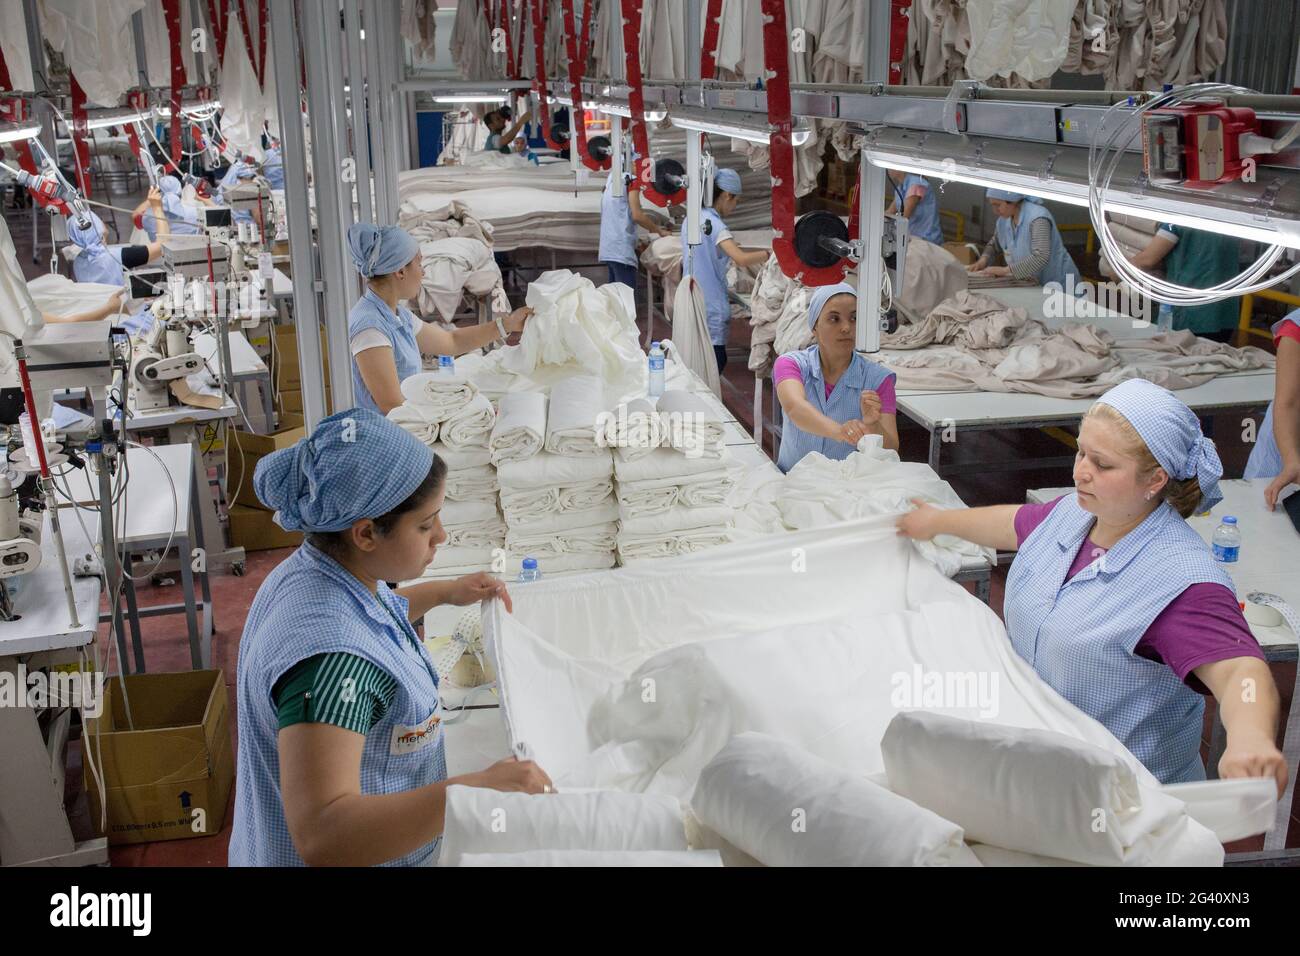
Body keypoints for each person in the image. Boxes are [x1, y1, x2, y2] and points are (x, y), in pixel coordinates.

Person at [898, 379, 1287, 789]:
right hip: (1042, 769)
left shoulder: (1180, 582)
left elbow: (1241, 672)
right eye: (1081, 451)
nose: (1081, 471)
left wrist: (1250, 738)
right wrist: (937, 522)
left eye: (1102, 465)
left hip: (1125, 799)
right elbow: (1015, 525)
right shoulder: (1077, 513)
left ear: (1154, 480)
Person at [229, 409, 552, 866]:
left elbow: (373, 616)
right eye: (425, 526)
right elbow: (326, 834)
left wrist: (445, 593)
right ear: (365, 533)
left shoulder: (315, 573)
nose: (441, 535)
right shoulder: (332, 664)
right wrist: (477, 788)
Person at [347, 223, 533, 415]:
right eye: (419, 264)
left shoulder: (396, 314)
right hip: (389, 432)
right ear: (400, 272)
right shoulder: (370, 327)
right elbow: (393, 406)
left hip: (408, 423)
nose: (424, 272)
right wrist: (461, 413)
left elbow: (451, 342)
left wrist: (507, 324)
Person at [774, 283, 898, 472]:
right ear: (815, 326)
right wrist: (841, 431)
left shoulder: (878, 379)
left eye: (854, 318)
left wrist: (873, 427)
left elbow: (891, 448)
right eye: (834, 319)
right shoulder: (791, 364)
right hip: (791, 480)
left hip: (846, 487)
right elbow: (795, 408)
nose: (846, 327)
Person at [680, 167, 769, 373]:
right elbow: (740, 259)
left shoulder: (691, 218)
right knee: (715, 360)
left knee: (695, 359)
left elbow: (729, 250)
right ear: (727, 195)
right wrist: (768, 254)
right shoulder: (715, 225)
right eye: (735, 201)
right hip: (710, 302)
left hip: (691, 297)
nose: (734, 206)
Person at [1127, 225, 1242, 343]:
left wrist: (1117, 271)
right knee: (1212, 356)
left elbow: (1147, 260)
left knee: (1177, 355)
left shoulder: (1176, 221)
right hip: (1225, 312)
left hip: (1191, 313)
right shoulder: (1227, 216)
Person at [969, 188, 1081, 290]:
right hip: (1033, 285)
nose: (995, 210)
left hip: (1060, 284)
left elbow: (1041, 256)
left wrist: (1005, 271)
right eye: (992, 205)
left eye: (997, 205)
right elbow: (994, 244)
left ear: (1012, 201)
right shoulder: (1004, 220)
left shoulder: (1038, 218)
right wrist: (983, 260)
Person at [1244, 308, 1300, 508]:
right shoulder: (1296, 326)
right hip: (1287, 450)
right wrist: (1292, 460)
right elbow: (1288, 404)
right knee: (1266, 523)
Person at [598, 150, 672, 288]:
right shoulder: (631, 181)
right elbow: (637, 215)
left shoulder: (612, 178)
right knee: (627, 301)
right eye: (640, 165)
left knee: (615, 299)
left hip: (609, 248)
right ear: (632, 162)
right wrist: (659, 231)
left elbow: (619, 212)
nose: (643, 169)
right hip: (621, 249)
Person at [66, 190, 169, 286]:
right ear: (97, 228)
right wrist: (157, 207)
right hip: (119, 304)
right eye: (98, 219)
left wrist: (148, 202)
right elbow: (162, 245)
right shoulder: (116, 257)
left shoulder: (78, 261)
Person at [883, 169, 943, 245]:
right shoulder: (900, 188)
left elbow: (904, 216)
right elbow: (889, 212)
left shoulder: (917, 184)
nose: (887, 170)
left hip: (926, 240)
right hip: (913, 238)